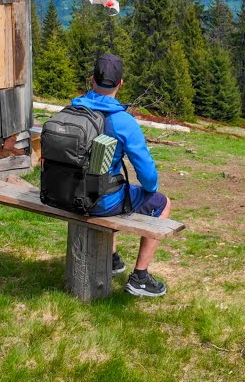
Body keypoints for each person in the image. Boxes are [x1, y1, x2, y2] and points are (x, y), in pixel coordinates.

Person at [68, 53, 172, 297]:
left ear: (91, 80)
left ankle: (113, 259)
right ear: (120, 84)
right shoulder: (123, 122)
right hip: (97, 202)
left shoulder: (72, 109)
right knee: (161, 203)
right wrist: (150, 188)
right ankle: (140, 278)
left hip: (63, 194)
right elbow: (148, 176)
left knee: (111, 190)